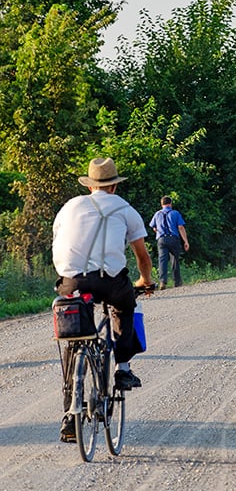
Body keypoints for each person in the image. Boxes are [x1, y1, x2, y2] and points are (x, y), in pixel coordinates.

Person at [52, 157, 154, 443]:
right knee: (124, 306)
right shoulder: (125, 209)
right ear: (113, 186)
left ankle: (70, 416)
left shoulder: (70, 206)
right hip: (110, 280)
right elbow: (142, 256)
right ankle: (123, 369)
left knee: (75, 337)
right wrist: (145, 281)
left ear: (91, 185)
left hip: (72, 280)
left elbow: (59, 240)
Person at [149, 196, 190, 289]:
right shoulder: (175, 213)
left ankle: (162, 281)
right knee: (175, 260)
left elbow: (154, 227)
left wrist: (159, 232)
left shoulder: (157, 214)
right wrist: (185, 241)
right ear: (170, 203)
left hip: (161, 239)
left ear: (161, 204)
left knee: (162, 260)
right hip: (173, 238)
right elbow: (180, 227)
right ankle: (177, 282)